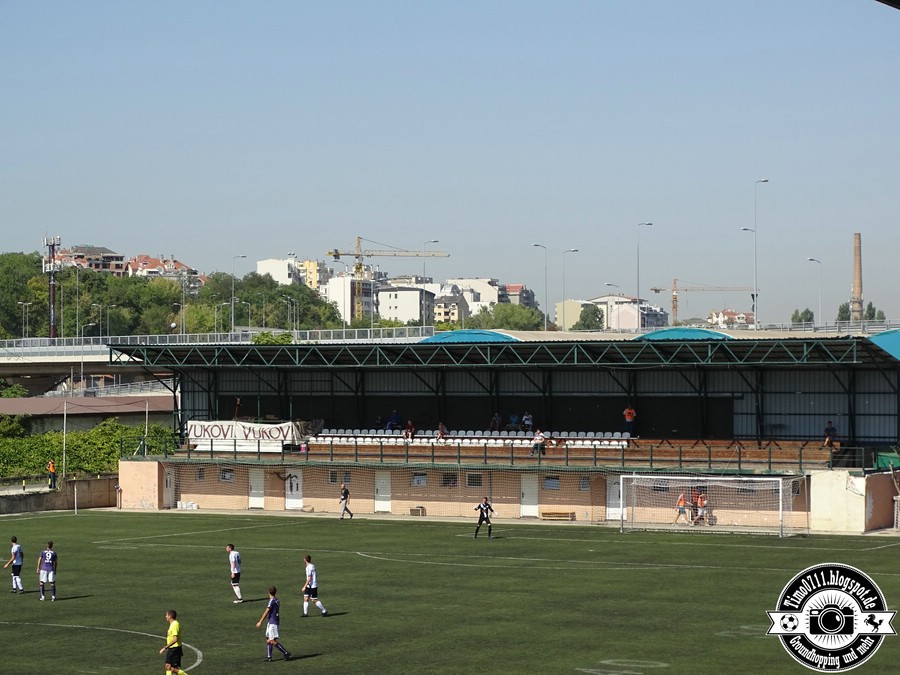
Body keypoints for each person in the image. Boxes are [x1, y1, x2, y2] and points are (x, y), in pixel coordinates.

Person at [256, 586, 292, 661]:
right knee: (268, 639)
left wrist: (260, 621)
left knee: (272, 640)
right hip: (272, 621)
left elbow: (267, 611)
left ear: (269, 593)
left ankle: (285, 652)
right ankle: (269, 657)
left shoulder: (272, 601)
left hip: (273, 622)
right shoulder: (277, 600)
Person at [159, 609, 189, 675]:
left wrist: (165, 647)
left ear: (170, 616)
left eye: (166, 615)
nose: (165, 616)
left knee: (170, 667)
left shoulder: (175, 625)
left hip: (175, 648)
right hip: (173, 648)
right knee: (169, 667)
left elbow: (175, 639)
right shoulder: (173, 624)